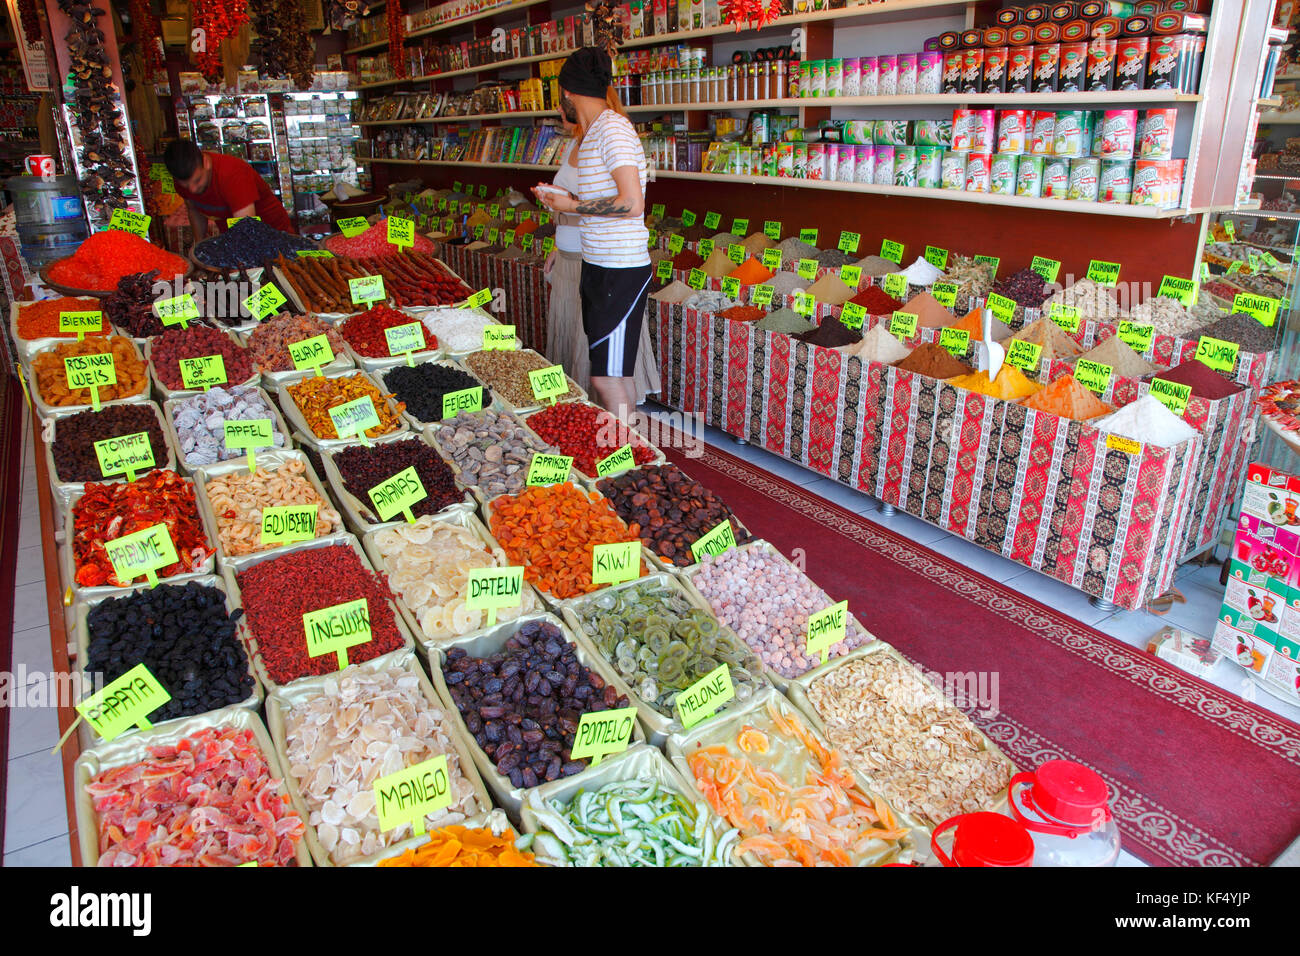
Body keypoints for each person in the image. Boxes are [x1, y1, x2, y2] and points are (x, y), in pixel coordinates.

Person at [533, 47, 654, 420]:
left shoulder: (612, 129)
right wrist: (567, 200)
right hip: (601, 263)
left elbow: (632, 203)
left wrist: (571, 207)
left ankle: (623, 454)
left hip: (620, 268)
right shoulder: (595, 132)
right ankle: (629, 447)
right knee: (614, 372)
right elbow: (608, 198)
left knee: (605, 378)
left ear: (566, 91)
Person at [164, 140, 294, 241]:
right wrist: (199, 244)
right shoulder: (182, 178)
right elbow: (193, 209)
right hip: (233, 236)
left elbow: (245, 229)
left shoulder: (232, 175)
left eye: (198, 180)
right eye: (186, 185)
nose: (192, 190)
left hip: (274, 233)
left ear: (206, 162)